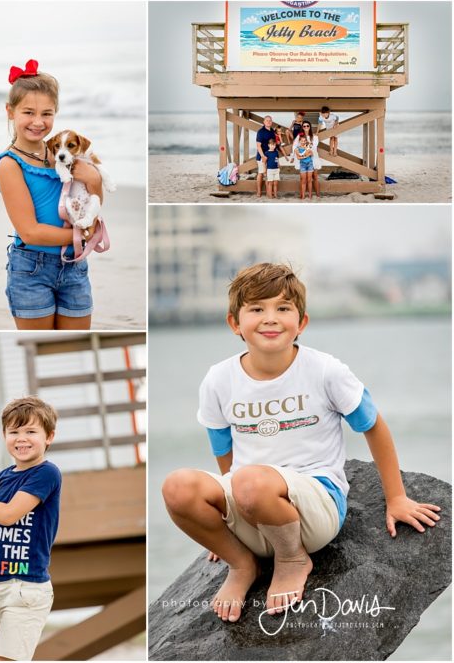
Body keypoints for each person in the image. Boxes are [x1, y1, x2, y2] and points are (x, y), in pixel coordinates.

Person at [161, 263, 441, 624]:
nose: (270, 319)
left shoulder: (325, 371)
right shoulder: (218, 379)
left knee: (251, 481)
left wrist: (397, 497)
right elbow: (222, 451)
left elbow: (373, 426)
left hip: (313, 508)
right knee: (177, 486)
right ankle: (242, 563)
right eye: (257, 309)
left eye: (282, 308)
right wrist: (225, 522)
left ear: (302, 322)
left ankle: (292, 559)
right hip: (252, 505)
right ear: (234, 323)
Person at [0, 59, 104, 330]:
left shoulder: (61, 151)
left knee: (76, 346)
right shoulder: (10, 164)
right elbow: (30, 232)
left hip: (74, 265)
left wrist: (95, 179)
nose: (38, 122)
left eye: (47, 113)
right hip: (31, 267)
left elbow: (90, 202)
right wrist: (83, 234)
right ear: (10, 111)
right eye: (28, 112)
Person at [0, 396, 63, 661]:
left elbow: (8, 515)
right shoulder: (4, 476)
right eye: (14, 431)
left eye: (31, 431)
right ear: (4, 435)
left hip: (25, 588)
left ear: (49, 437)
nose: (21, 438)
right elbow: (9, 523)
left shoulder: (46, 473)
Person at [254, 115, 276, 199]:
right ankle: (259, 191)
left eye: (270, 120)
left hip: (271, 156)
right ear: (263, 122)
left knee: (269, 174)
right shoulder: (261, 131)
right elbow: (258, 145)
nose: (269, 122)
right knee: (261, 173)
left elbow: (274, 143)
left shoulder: (272, 131)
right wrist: (263, 156)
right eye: (267, 120)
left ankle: (269, 192)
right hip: (262, 156)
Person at [299, 121, 322, 198]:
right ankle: (302, 195)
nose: (306, 127)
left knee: (315, 177)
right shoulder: (300, 137)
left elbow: (313, 147)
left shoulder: (315, 137)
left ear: (310, 127)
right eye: (304, 126)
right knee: (303, 178)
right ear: (302, 127)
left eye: (307, 126)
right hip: (304, 159)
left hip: (314, 158)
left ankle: (318, 195)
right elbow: (296, 147)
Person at [293, 135, 315, 200]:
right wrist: (306, 156)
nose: (303, 142)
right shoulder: (297, 149)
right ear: (299, 141)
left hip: (310, 164)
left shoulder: (308, 148)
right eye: (301, 141)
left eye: (304, 141)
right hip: (302, 165)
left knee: (309, 180)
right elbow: (298, 157)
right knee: (303, 181)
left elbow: (311, 154)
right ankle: (303, 195)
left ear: (306, 141)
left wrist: (308, 152)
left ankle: (310, 195)